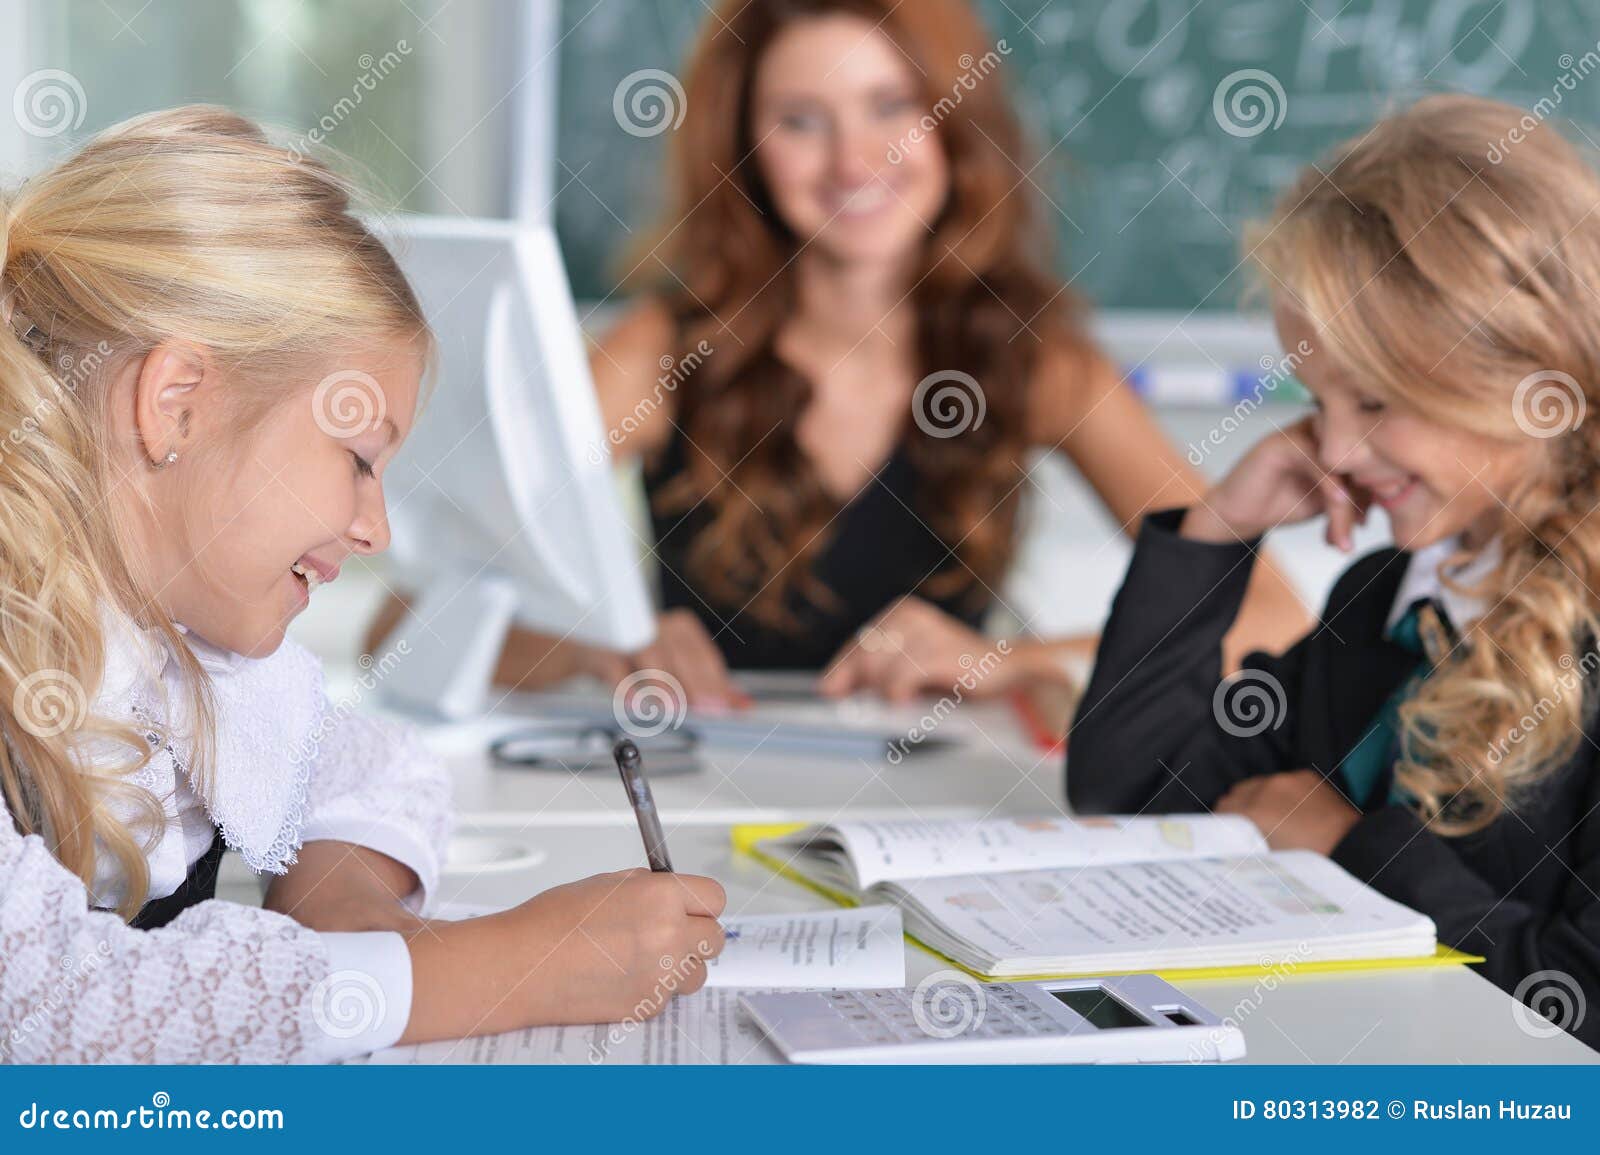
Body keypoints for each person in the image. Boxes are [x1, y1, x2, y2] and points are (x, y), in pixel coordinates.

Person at [0, 107, 723, 1064]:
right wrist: (502, 966)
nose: (374, 527)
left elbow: (376, 764)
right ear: (175, 402)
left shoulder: (178, 647)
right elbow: (42, 1001)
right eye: (358, 457)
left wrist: (342, 897)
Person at [400, 0, 1306, 709]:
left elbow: (1269, 615)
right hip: (695, 810)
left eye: (890, 107)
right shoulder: (656, 355)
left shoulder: (1036, 362)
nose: (853, 161)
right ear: (744, 150)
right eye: (800, 120)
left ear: (953, 128)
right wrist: (598, 648)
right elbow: (405, 627)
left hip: (940, 824)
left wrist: (1012, 662)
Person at [1068, 94, 1600, 1048]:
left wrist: (1353, 847)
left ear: (1521, 372)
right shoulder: (1388, 593)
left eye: (1376, 399)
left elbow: (1580, 1003)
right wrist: (1219, 529)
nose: (1338, 448)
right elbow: (1133, 788)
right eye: (1318, 399)